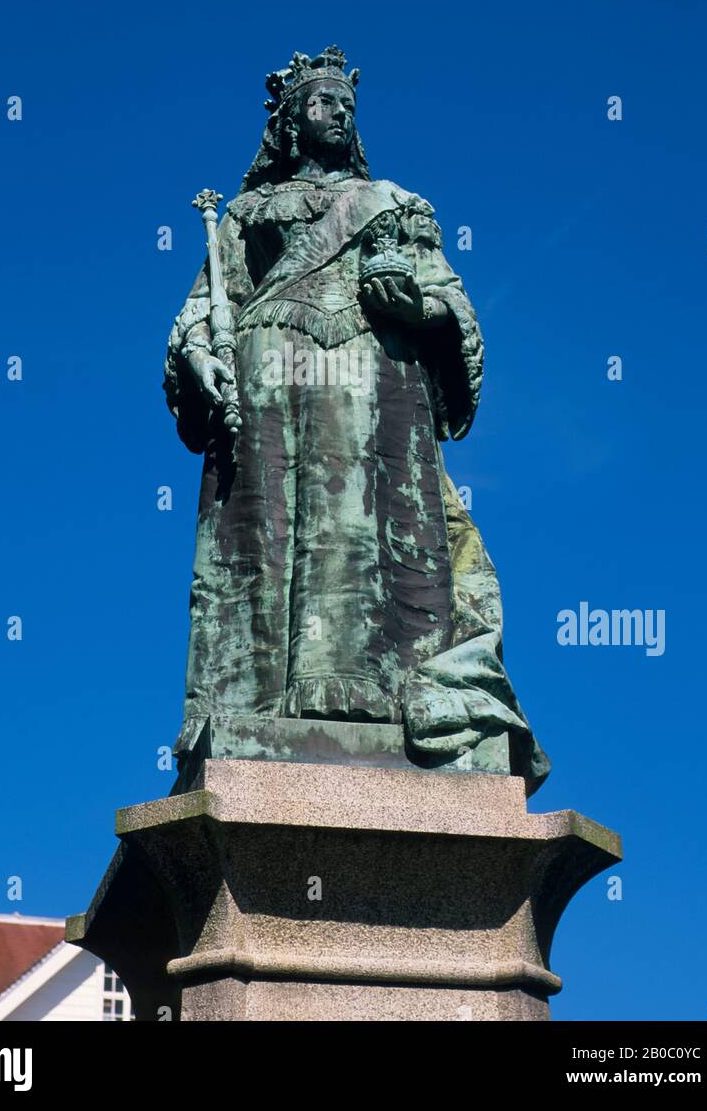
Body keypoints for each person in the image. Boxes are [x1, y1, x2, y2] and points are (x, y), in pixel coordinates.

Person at [164, 47, 549, 791]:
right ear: (289, 123)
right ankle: (256, 704)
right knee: (266, 535)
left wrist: (418, 306)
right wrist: (197, 361)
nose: (338, 113)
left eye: (346, 103)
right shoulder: (244, 215)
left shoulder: (394, 204)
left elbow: (451, 303)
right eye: (322, 103)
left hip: (374, 380)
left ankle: (390, 694)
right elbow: (206, 307)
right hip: (268, 376)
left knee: (368, 531)